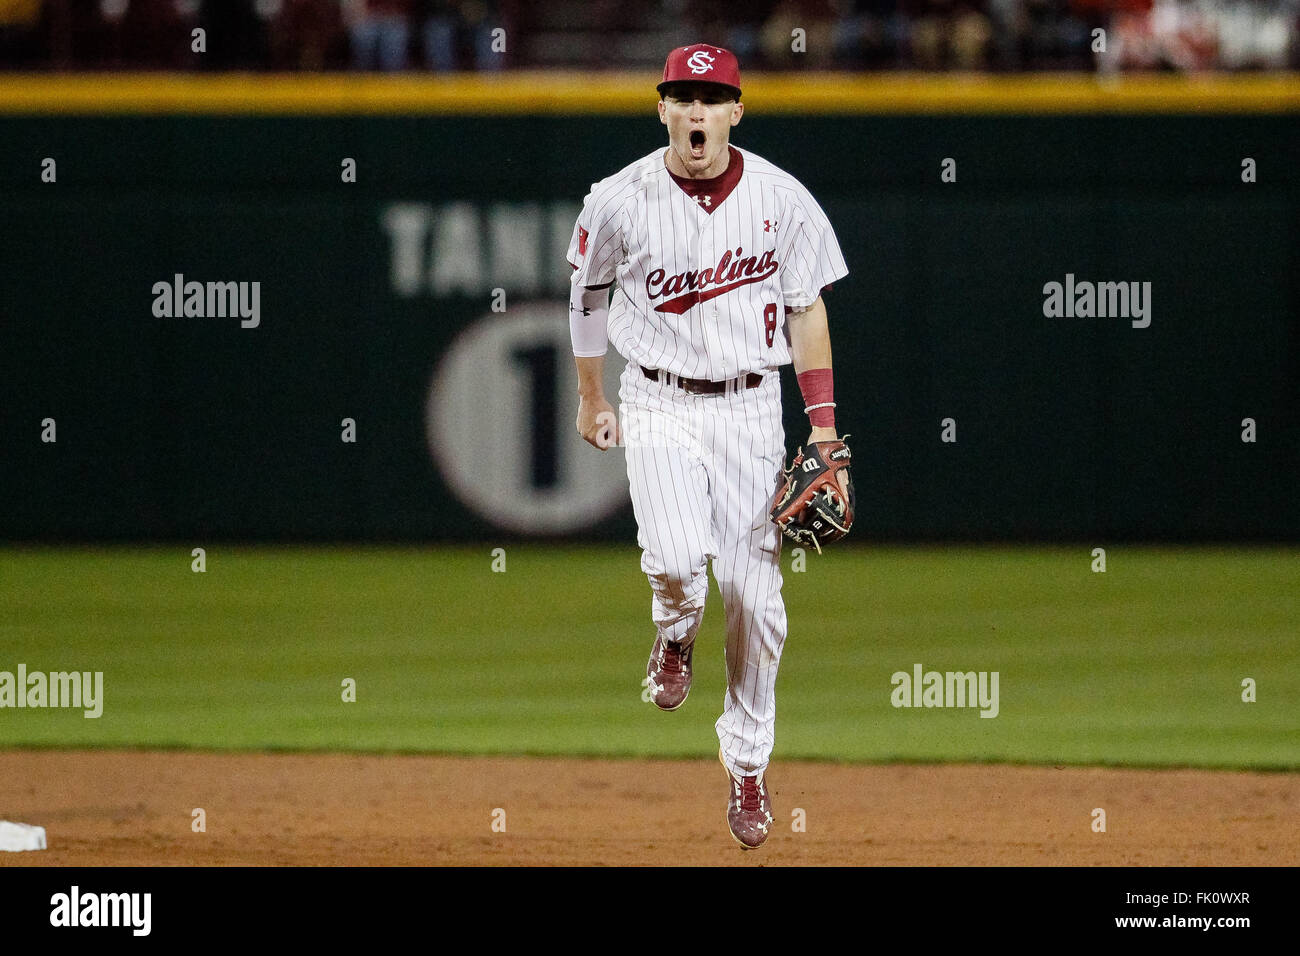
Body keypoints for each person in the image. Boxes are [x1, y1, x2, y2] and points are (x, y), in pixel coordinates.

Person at [566, 44, 848, 850]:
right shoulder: (619, 199)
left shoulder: (782, 199)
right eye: (682, 96)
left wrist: (822, 430)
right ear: (661, 108)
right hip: (655, 398)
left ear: (736, 109)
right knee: (677, 562)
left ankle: (749, 770)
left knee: (758, 602)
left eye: (711, 97)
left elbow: (807, 313)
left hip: (752, 411)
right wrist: (589, 396)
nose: (696, 111)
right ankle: (674, 631)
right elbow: (585, 298)